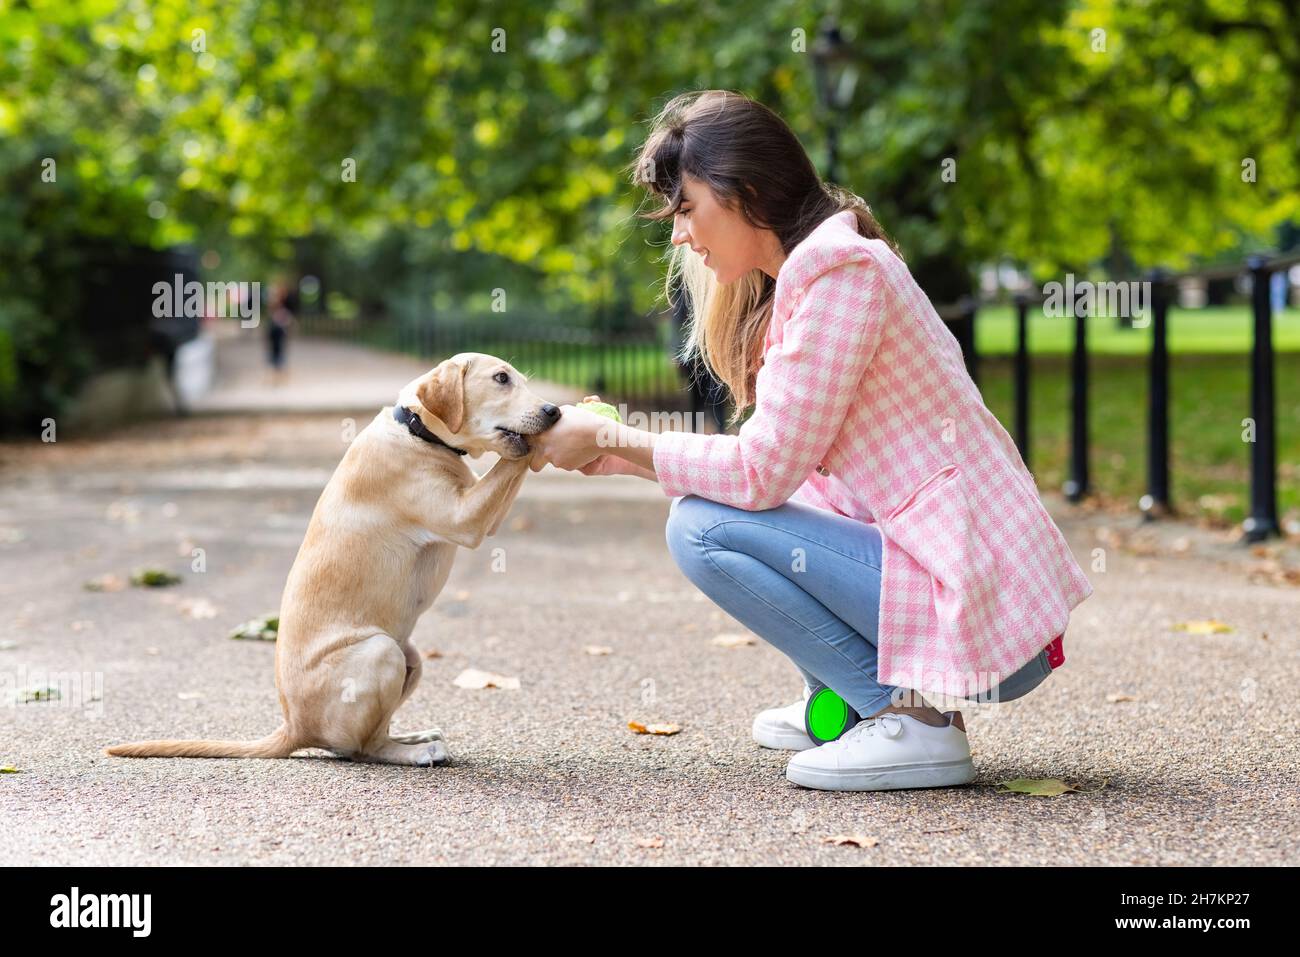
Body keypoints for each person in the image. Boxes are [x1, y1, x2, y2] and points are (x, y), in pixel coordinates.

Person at [530, 90, 1093, 792]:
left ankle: (907, 721)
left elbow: (760, 472)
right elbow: (783, 472)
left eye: (686, 209)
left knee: (702, 529)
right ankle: (850, 702)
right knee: (729, 510)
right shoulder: (815, 274)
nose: (680, 236)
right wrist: (622, 455)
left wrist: (621, 436)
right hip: (940, 569)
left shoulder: (841, 274)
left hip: (980, 598)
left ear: (747, 192)